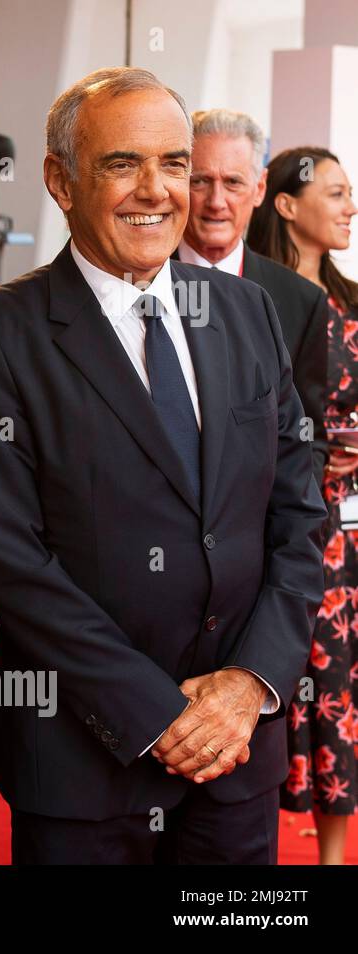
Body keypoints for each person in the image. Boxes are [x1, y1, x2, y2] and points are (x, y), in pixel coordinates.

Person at [0, 67, 326, 864]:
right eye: (122, 164)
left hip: (235, 759)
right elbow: (12, 556)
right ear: (60, 180)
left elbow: (300, 517)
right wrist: (155, 715)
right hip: (82, 770)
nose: (157, 191)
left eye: (174, 165)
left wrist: (248, 687)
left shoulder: (246, 309)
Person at [249, 145, 358, 865]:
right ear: (286, 205)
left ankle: (332, 859)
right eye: (337, 192)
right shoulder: (258, 300)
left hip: (349, 527)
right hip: (282, 523)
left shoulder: (352, 300)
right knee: (285, 679)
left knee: (342, 685)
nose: (350, 206)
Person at [178, 109, 328, 485]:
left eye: (232, 182)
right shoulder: (135, 284)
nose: (216, 201)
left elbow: (308, 440)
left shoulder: (302, 301)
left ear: (259, 189)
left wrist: (288, 535)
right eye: (200, 182)